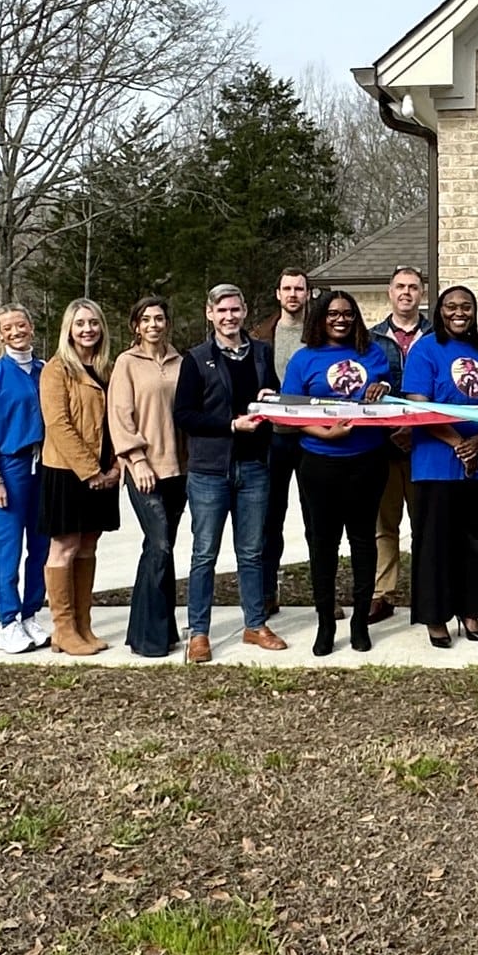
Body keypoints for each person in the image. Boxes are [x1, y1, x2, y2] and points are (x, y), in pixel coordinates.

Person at [172, 285, 288, 660]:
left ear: (245, 311)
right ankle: (199, 633)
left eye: (235, 310)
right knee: (204, 554)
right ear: (210, 314)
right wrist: (230, 425)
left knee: (252, 553)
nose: (229, 317)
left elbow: (272, 399)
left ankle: (254, 625)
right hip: (209, 471)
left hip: (254, 467)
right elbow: (184, 415)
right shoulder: (196, 358)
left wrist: (272, 399)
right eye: (222, 310)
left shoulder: (260, 353)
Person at [281, 290, 394, 657]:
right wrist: (326, 432)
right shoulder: (304, 359)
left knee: (363, 540)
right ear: (320, 318)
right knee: (323, 543)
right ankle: (326, 623)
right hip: (320, 461)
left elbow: (385, 394)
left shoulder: (372, 353)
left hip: (367, 459)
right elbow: (289, 413)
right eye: (332, 313)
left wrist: (384, 387)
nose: (341, 319)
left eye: (347, 313)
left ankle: (360, 621)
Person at [401, 286, 478, 647]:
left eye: (466, 307)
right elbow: (418, 405)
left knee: (476, 543)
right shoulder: (426, 350)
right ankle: (435, 617)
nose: (459, 312)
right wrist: (459, 443)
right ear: (439, 311)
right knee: (436, 544)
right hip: (436, 463)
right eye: (450, 306)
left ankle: (471, 612)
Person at [38, 298, 123, 656]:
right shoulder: (57, 370)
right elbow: (57, 424)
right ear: (68, 330)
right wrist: (89, 472)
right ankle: (63, 628)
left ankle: (83, 625)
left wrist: (116, 467)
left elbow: (119, 419)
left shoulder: (109, 368)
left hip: (105, 470)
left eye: (93, 322)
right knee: (65, 546)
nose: (87, 329)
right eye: (80, 323)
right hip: (67, 471)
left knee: (89, 543)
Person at [110, 296, 188, 659]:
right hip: (144, 470)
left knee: (160, 550)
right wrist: (136, 460)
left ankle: (157, 629)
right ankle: (149, 639)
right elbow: (120, 417)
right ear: (136, 326)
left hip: (179, 470)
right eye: (146, 319)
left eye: (159, 318)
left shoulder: (181, 361)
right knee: (159, 546)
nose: (154, 324)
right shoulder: (127, 363)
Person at [0, 304, 49, 655]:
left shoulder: (45, 371)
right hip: (9, 467)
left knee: (41, 546)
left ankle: (32, 611)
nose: (16, 331)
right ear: (0, 334)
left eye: (22, 324)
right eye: (8, 327)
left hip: (43, 466)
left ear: (31, 327)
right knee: (9, 548)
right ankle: (9, 620)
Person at [366, 266, 430, 624]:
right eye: (400, 287)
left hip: (427, 444)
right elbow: (363, 385)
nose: (406, 292)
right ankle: (382, 593)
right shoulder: (372, 338)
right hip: (383, 444)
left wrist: (414, 427)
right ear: (389, 292)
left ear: (422, 293)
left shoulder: (436, 335)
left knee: (424, 523)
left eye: (413, 287)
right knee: (384, 525)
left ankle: (426, 590)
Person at [250, 267, 313, 621]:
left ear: (308, 294)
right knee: (268, 520)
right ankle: (266, 592)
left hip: (310, 440)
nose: (293, 294)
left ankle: (323, 593)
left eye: (299, 289)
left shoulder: (319, 335)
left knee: (317, 518)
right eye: (287, 288)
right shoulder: (260, 336)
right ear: (278, 294)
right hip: (272, 441)